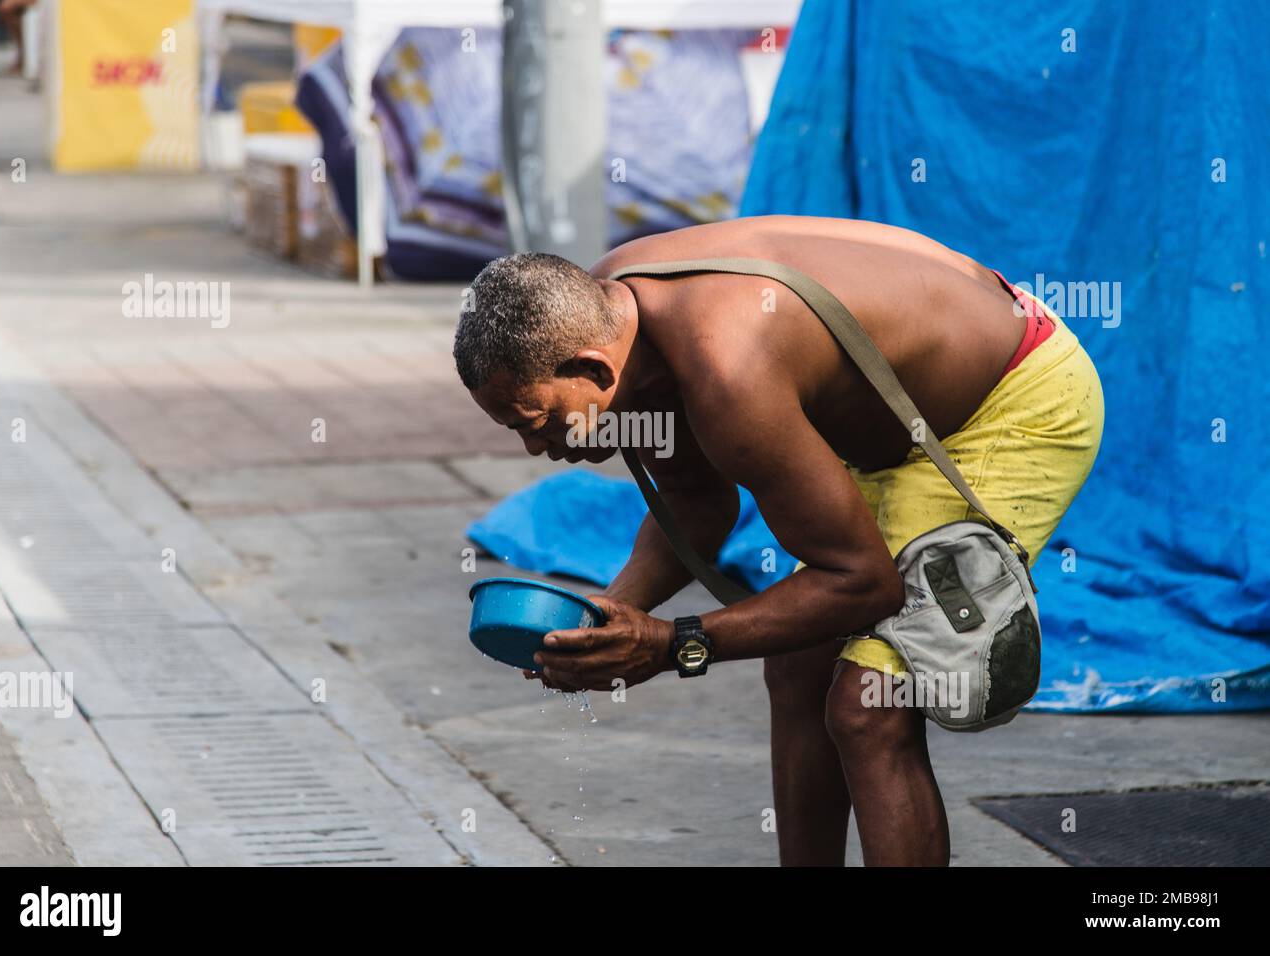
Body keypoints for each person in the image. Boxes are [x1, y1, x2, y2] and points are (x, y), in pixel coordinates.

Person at [452, 215, 1104, 866]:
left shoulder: (727, 370)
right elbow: (695, 501)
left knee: (867, 708)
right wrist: (605, 623)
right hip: (902, 418)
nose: (537, 447)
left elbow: (860, 583)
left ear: (593, 369)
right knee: (797, 664)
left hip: (1009, 398)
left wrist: (674, 644)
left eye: (538, 421)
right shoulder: (612, 315)